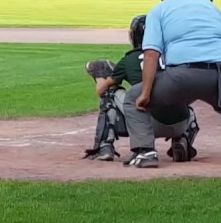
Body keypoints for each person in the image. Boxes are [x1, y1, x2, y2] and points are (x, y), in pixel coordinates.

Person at [130, 0, 221, 168]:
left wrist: (145, 93)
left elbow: (151, 54)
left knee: (132, 98)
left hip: (181, 76)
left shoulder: (160, 10)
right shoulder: (213, 9)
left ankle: (146, 152)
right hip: (219, 74)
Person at [83, 15, 199, 162]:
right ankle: (182, 141)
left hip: (147, 125)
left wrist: (99, 76)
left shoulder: (129, 59)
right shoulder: (174, 56)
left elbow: (101, 91)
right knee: (182, 99)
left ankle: (104, 147)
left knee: (111, 94)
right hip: (181, 122)